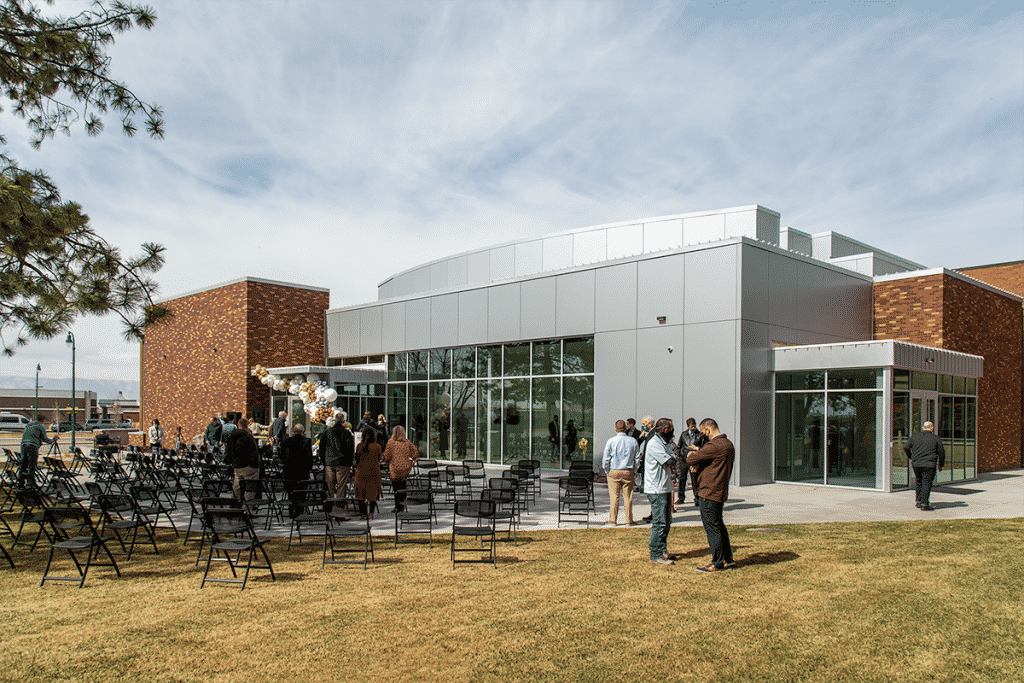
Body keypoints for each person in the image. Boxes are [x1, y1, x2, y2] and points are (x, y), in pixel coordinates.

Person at [686, 418, 736, 573]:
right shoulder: (728, 444)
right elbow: (713, 465)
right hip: (719, 491)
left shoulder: (714, 445)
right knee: (719, 525)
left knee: (712, 528)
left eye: (703, 432)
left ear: (708, 429)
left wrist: (693, 455)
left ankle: (717, 562)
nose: (703, 436)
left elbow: (691, 459)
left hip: (709, 492)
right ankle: (728, 558)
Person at [644, 417, 678, 565]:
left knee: (667, 520)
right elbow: (670, 460)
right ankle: (655, 554)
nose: (672, 433)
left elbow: (673, 456)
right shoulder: (654, 444)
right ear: (664, 430)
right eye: (670, 430)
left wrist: (672, 456)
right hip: (656, 489)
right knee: (660, 522)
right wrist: (672, 456)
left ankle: (663, 549)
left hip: (665, 487)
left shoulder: (663, 442)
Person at [601, 420, 639, 526]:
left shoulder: (611, 441)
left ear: (615, 428)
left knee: (614, 497)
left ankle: (613, 520)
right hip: (628, 471)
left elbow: (606, 459)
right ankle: (629, 520)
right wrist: (635, 470)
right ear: (625, 429)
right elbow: (637, 458)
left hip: (614, 470)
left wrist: (607, 470)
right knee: (628, 497)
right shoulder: (633, 441)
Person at [904, 421, 945, 511]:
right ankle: (925, 503)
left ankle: (919, 501)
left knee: (919, 481)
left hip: (916, 464)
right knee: (926, 482)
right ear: (932, 428)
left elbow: (906, 447)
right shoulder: (935, 438)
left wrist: (911, 457)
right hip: (929, 464)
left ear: (923, 428)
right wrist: (941, 465)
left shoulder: (914, 437)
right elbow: (941, 452)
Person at [383, 425, 419, 512]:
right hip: (405, 468)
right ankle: (402, 506)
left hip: (394, 468)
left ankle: (397, 506)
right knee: (403, 487)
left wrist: (386, 461)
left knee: (396, 488)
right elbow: (416, 454)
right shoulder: (407, 443)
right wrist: (411, 463)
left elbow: (387, 456)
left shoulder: (390, 442)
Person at [280, 423, 313, 517]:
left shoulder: (287, 441)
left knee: (291, 492)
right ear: (302, 431)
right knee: (302, 492)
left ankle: (291, 511)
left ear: (294, 431)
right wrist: (308, 469)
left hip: (289, 471)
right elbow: (308, 457)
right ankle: (300, 511)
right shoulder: (306, 441)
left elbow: (282, 454)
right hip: (302, 471)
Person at [225, 418, 260, 506]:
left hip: (236, 465)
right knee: (250, 488)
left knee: (237, 486)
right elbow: (253, 452)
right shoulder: (248, 436)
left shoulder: (231, 436)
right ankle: (247, 508)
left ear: (238, 425)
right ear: (247, 425)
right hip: (249, 466)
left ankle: (234, 505)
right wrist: (255, 463)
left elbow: (227, 451)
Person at [319, 418, 355, 499]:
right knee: (341, 485)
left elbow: (321, 447)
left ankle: (330, 501)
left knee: (330, 484)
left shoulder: (327, 432)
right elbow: (350, 448)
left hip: (329, 462)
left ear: (335, 421)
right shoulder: (346, 433)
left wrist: (324, 460)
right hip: (343, 462)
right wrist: (349, 461)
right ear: (343, 421)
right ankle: (339, 501)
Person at [353, 427, 383, 519]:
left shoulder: (360, 446)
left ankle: (363, 514)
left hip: (361, 472)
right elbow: (379, 459)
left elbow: (356, 459)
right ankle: (371, 514)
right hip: (374, 472)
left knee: (360, 495)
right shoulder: (377, 446)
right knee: (372, 494)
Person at [18, 415, 56, 488]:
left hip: (23, 445)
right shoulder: (40, 426)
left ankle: (20, 482)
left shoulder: (28, 425)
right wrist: (53, 440)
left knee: (23, 464)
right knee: (32, 465)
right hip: (32, 446)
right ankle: (30, 483)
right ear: (43, 420)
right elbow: (45, 439)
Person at [678, 417, 707, 508]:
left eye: (694, 426)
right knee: (682, 479)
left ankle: (697, 499)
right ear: (688, 426)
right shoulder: (683, 434)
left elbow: (702, 446)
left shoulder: (699, 435)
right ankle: (681, 497)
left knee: (695, 480)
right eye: (691, 426)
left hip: (694, 460)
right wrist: (680, 456)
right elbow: (679, 446)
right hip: (684, 460)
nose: (693, 428)